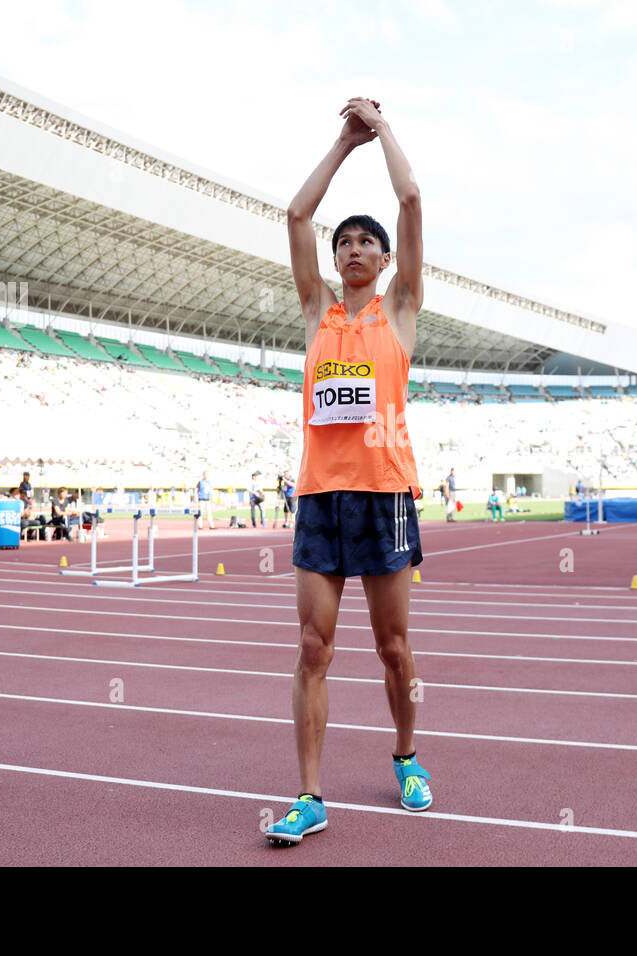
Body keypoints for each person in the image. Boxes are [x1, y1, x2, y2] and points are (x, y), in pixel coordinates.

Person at [265, 97, 429, 846]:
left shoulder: (399, 310)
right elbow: (297, 217)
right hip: (322, 497)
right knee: (311, 647)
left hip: (385, 495)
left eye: (369, 243)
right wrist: (341, 143)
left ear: (386, 259)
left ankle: (406, 755)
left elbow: (411, 198)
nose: (355, 249)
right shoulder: (317, 314)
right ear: (336, 260)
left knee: (392, 647)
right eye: (347, 243)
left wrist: (384, 131)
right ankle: (309, 794)